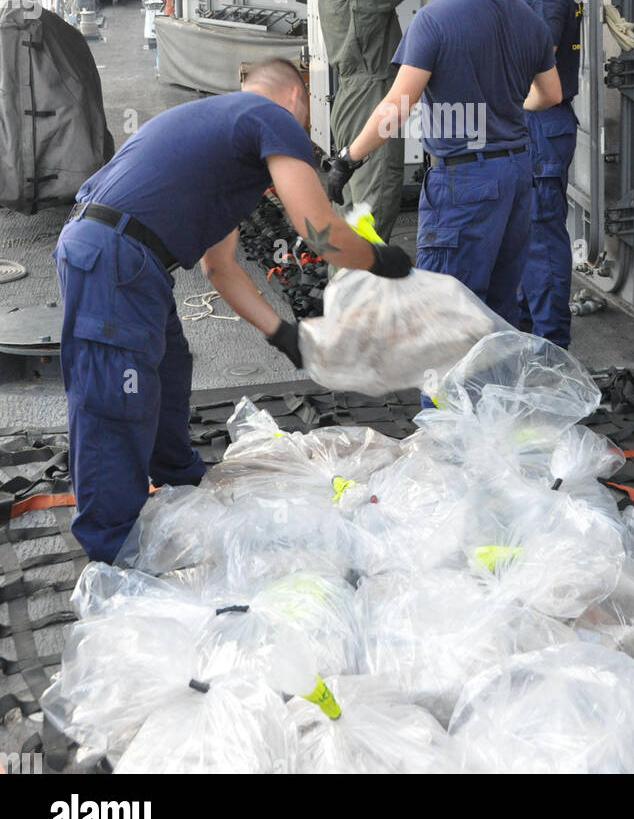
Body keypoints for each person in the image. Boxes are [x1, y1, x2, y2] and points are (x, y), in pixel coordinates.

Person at [53, 57, 411, 565]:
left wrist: (283, 335)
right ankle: (112, 552)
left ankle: (181, 485)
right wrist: (379, 260)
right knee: (116, 398)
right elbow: (319, 231)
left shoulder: (222, 143)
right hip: (114, 256)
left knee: (168, 366)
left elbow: (219, 268)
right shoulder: (271, 118)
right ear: (296, 97)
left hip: (125, 258)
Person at [327, 0, 562, 326]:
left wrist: (348, 158)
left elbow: (396, 108)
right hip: (516, 176)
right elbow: (551, 95)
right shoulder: (531, 19)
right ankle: (490, 388)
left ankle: (446, 394)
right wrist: (504, 109)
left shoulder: (435, 21)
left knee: (444, 316)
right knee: (498, 311)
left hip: (462, 184)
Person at [315, 0, 449, 241]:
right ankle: (367, 285)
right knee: (375, 203)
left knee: (351, 203)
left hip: (348, 100)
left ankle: (343, 285)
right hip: (373, 98)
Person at [487, 0, 584, 346]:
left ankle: (551, 343)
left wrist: (508, 99)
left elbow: (537, 61)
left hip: (543, 122)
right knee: (530, 230)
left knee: (542, 238)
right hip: (543, 124)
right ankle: (530, 330)